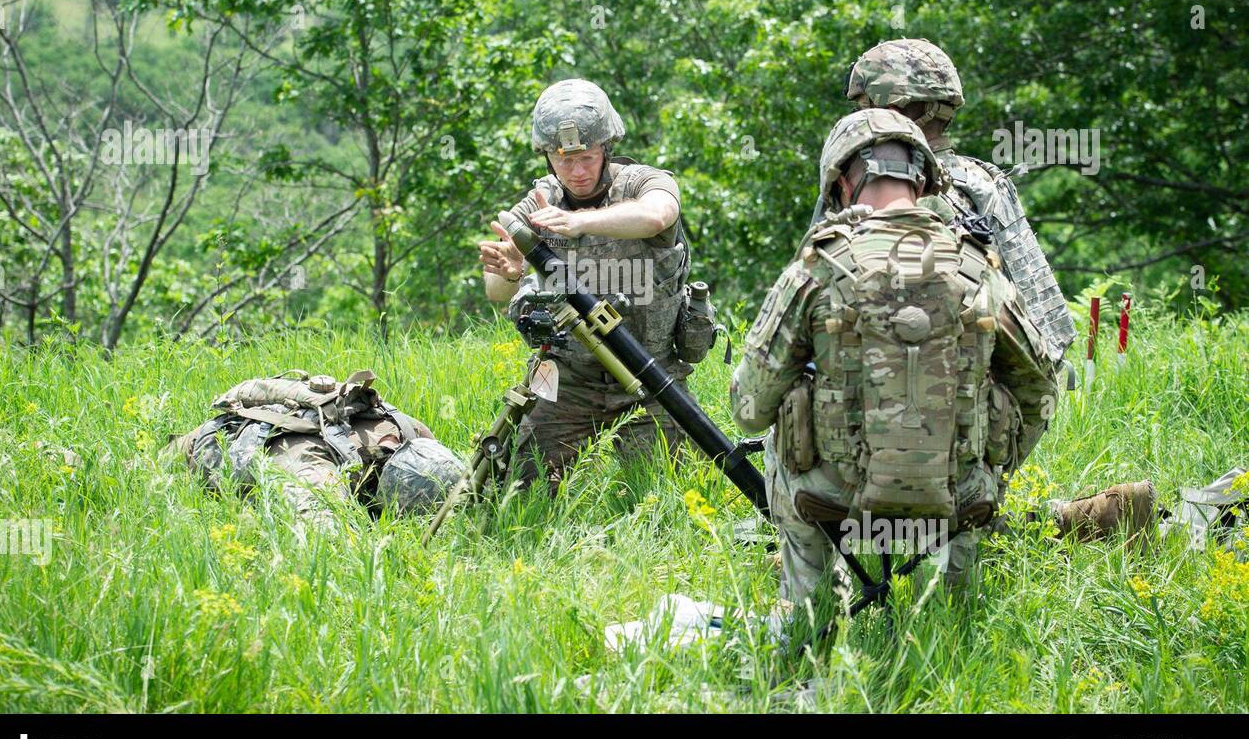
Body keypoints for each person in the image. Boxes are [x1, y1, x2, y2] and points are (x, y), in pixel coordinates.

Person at [731, 108, 1059, 604]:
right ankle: (952, 608)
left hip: (831, 499)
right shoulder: (978, 267)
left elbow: (749, 409)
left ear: (843, 181)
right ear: (925, 180)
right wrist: (989, 465)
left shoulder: (820, 266)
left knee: (782, 433)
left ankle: (811, 606)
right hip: (959, 500)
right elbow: (1040, 390)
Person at [478, 78, 716, 491]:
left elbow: (658, 215)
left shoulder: (644, 182)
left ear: (605, 148)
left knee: (668, 498)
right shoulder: (538, 204)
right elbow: (495, 290)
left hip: (650, 377)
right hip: (569, 383)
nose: (577, 171)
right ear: (548, 157)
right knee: (524, 495)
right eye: (563, 159)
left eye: (586, 157)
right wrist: (511, 272)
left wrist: (578, 223)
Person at [837, 38, 1077, 364]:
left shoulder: (899, 192)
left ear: (891, 110)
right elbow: (1046, 318)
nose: (862, 118)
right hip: (1014, 376)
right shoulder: (986, 179)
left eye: (865, 107)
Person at [166, 370, 466, 533]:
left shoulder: (413, 432)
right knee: (147, 468)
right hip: (213, 442)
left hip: (324, 436)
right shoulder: (310, 468)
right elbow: (324, 543)